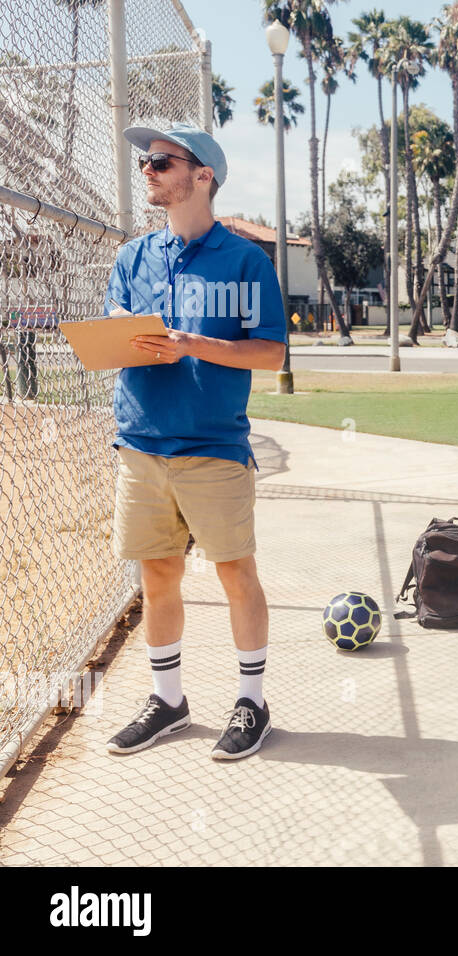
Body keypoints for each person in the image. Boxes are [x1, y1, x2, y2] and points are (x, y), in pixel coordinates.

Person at [102, 123, 287, 760]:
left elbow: (271, 352)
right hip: (141, 445)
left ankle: (253, 703)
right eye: (146, 163)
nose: (148, 170)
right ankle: (168, 700)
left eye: (161, 161)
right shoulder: (132, 258)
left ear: (202, 175)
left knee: (236, 574)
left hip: (212, 447)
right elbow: (114, 332)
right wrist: (119, 338)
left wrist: (196, 344)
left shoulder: (244, 261)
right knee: (157, 575)